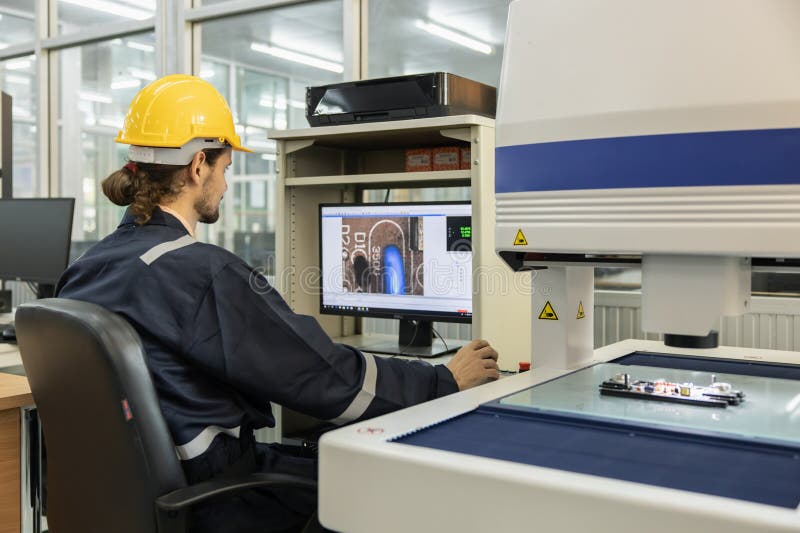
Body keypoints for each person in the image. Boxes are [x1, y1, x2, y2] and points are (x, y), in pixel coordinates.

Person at [56, 74, 500, 533]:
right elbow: (324, 376)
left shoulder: (88, 267)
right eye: (226, 170)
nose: (226, 186)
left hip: (148, 496)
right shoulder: (202, 272)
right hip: (221, 498)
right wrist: (442, 380)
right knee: (389, 481)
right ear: (198, 165)